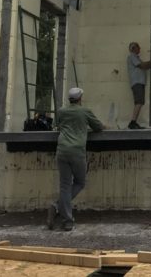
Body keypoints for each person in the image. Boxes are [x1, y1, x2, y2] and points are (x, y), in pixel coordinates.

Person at [47, 87, 103, 232]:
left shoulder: (61, 111)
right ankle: (59, 208)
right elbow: (98, 127)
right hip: (77, 151)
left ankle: (67, 220)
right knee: (80, 182)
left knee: (65, 185)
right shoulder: (84, 111)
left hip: (62, 150)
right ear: (80, 98)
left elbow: (57, 126)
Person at [127, 42, 151, 129]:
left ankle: (133, 122)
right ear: (134, 48)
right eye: (138, 48)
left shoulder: (136, 58)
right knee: (139, 102)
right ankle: (132, 122)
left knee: (140, 102)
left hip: (139, 82)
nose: (140, 49)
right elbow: (142, 65)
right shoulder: (132, 56)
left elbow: (144, 65)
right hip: (137, 82)